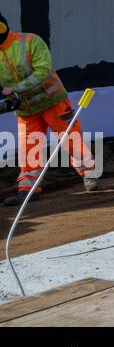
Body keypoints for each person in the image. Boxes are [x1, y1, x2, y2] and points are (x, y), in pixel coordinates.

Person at [0, 12, 98, 205]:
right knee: (29, 149)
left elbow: (43, 72)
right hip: (26, 110)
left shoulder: (30, 41)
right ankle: (28, 190)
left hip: (53, 102)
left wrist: (16, 89)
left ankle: (89, 173)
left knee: (71, 139)